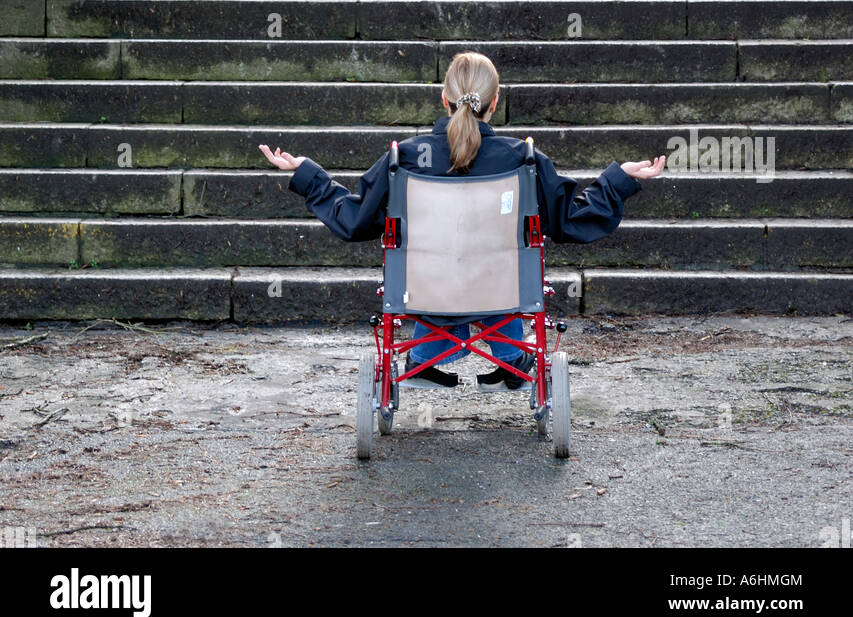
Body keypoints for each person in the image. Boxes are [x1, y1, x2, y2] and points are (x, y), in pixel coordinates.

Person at [260, 51, 665, 390]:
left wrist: (308, 175)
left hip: (427, 290)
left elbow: (354, 220)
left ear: (443, 99)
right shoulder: (522, 158)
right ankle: (512, 356)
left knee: (447, 264)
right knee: (495, 266)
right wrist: (618, 180)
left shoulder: (405, 157)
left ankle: (423, 356)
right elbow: (569, 220)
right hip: (501, 289)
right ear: (495, 102)